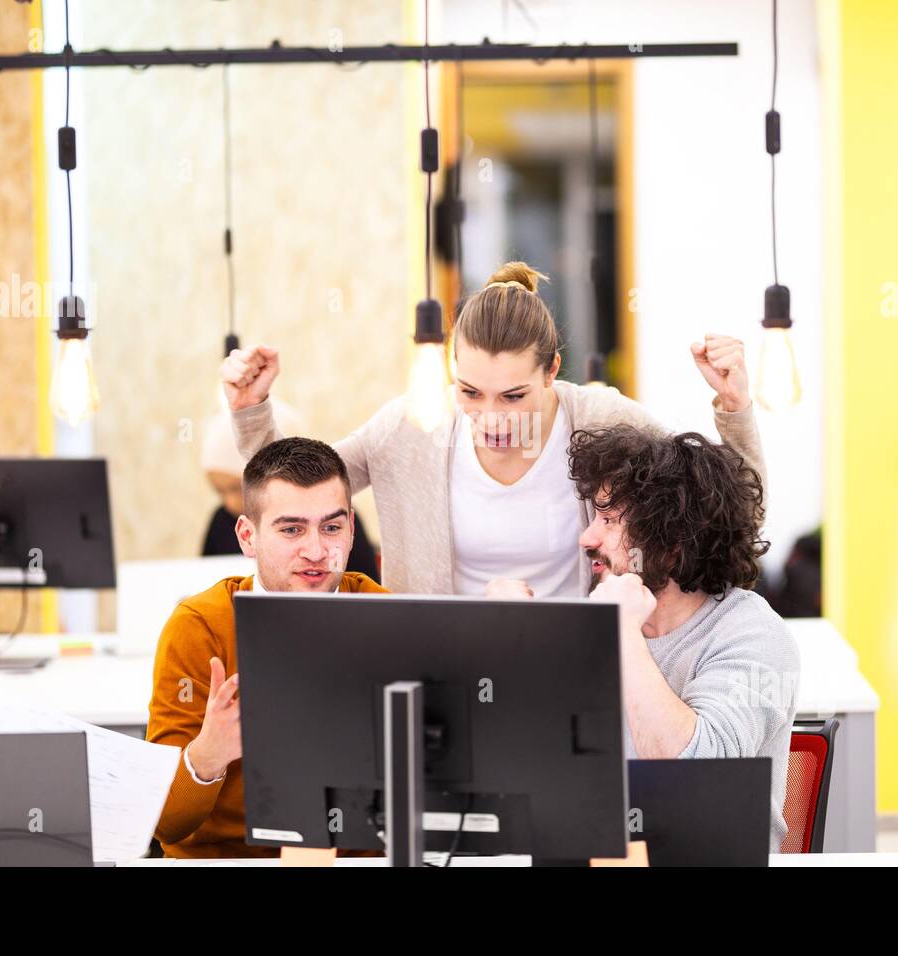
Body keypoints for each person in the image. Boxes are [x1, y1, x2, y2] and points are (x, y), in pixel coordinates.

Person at [221, 261, 766, 596]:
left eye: (514, 395)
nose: (491, 418)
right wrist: (252, 411)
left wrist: (734, 406)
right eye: (470, 392)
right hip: (440, 679)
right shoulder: (413, 426)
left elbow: (737, 511)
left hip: (582, 675)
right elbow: (287, 491)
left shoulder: (605, 422)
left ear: (552, 370)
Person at [490, 423, 799, 850]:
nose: (587, 537)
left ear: (672, 542)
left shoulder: (751, 634)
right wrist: (500, 640)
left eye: (610, 520)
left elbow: (694, 774)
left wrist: (620, 631)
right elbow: (514, 767)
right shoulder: (590, 626)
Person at [147, 437, 386, 858]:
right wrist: (206, 757)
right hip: (227, 860)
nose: (316, 551)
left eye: (331, 528)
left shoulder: (385, 616)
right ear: (247, 536)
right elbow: (166, 822)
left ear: (351, 529)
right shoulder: (199, 628)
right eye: (291, 529)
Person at [197, 404, 379, 581]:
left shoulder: (336, 516)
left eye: (236, 488)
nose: (230, 502)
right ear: (246, 534)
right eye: (220, 491)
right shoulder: (221, 522)